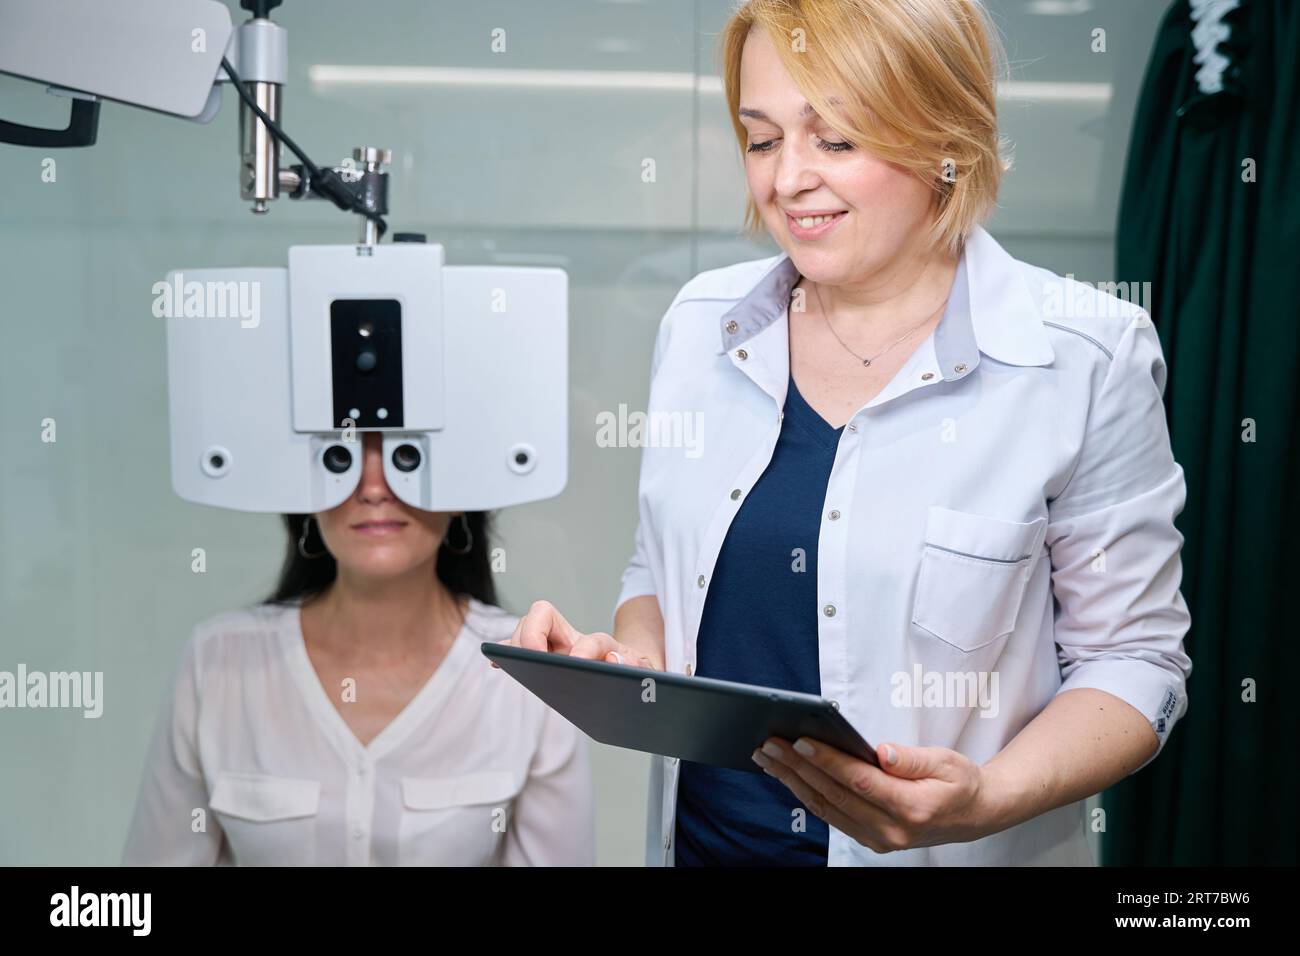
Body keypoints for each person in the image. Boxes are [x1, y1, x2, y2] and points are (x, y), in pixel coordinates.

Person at [504, 0, 1192, 866]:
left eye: (835, 140)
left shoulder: (1085, 357)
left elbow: (1136, 662)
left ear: (945, 138)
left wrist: (986, 801)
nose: (787, 179)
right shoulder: (699, 326)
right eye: (762, 139)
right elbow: (660, 570)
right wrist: (627, 662)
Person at [124, 432, 593, 866]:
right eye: (339, 456)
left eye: (407, 455)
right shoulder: (219, 662)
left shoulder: (528, 672)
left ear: (460, 484)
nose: (373, 488)